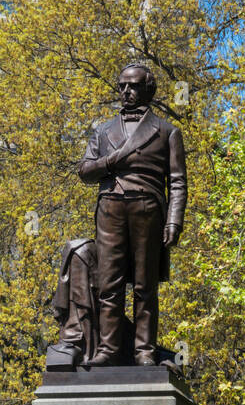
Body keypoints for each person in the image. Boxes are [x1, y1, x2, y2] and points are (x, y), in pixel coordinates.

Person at [79, 63, 187, 366]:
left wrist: (174, 220)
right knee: (109, 282)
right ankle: (108, 350)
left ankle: (144, 351)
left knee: (144, 285)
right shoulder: (102, 130)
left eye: (134, 86)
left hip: (148, 209)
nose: (127, 91)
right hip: (110, 207)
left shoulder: (167, 131)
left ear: (148, 90)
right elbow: (85, 171)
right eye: (123, 86)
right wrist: (111, 161)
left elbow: (177, 181)